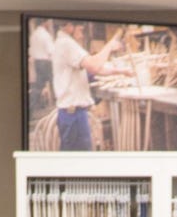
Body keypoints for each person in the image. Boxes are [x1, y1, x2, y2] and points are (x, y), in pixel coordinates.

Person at [51, 21, 125, 150]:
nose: (82, 32)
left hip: (74, 114)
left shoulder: (64, 43)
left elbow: (95, 69)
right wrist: (109, 47)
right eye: (79, 28)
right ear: (68, 26)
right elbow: (94, 66)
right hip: (74, 116)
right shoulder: (66, 43)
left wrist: (121, 71)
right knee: (79, 164)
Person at [28, 18, 55, 114]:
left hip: (37, 62)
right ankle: (57, 105)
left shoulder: (34, 35)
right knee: (55, 82)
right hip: (46, 62)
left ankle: (31, 107)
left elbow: (31, 50)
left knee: (38, 86)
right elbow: (51, 51)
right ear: (45, 22)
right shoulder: (45, 35)